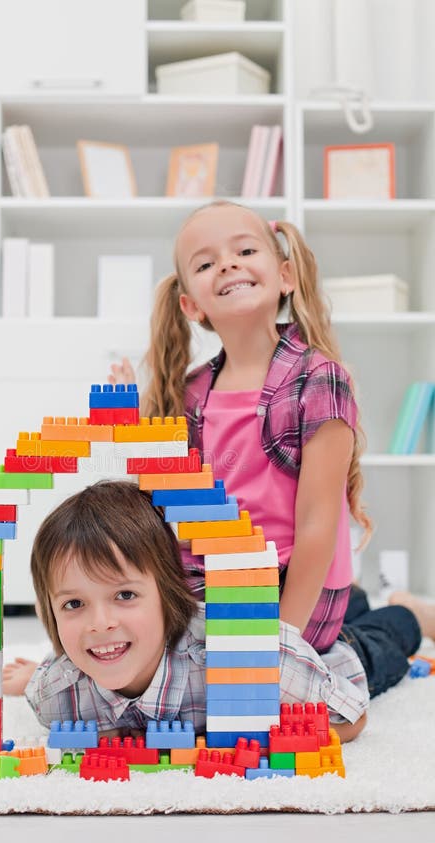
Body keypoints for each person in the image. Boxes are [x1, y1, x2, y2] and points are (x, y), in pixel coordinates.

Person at [109, 199, 370, 655]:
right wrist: (133, 428)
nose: (228, 264)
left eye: (246, 252)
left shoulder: (319, 378)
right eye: (206, 263)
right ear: (191, 305)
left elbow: (317, 525)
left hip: (296, 588)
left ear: (285, 276)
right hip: (213, 585)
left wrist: (283, 642)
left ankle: (402, 619)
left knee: (353, 657)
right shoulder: (193, 392)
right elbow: (169, 502)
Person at [4, 480, 383, 743]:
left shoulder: (252, 658)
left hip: (333, 651)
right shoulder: (56, 698)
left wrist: (244, 733)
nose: (100, 623)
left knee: (383, 633)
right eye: (74, 604)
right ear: (48, 613)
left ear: (169, 592)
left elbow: (351, 714)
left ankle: (405, 609)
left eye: (124, 595)